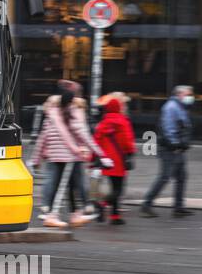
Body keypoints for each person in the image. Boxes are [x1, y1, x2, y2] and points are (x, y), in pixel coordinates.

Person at [29, 79, 112, 228]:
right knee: (73, 185)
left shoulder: (51, 115)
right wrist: (100, 154)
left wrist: (36, 159)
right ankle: (71, 212)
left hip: (55, 156)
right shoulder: (73, 113)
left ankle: (53, 212)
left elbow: (42, 138)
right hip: (70, 156)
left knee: (55, 184)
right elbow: (82, 135)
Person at [140, 85, 195, 218]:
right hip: (170, 149)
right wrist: (175, 145)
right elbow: (168, 127)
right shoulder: (171, 107)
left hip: (178, 149)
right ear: (180, 94)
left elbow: (183, 126)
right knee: (164, 177)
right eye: (189, 94)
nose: (191, 97)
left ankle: (178, 207)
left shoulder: (180, 106)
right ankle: (146, 204)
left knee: (181, 177)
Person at [94, 94, 136, 224]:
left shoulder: (102, 123)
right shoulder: (123, 121)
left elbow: (96, 141)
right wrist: (131, 152)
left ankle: (115, 216)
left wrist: (94, 158)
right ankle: (102, 205)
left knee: (113, 187)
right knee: (118, 189)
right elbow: (127, 140)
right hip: (119, 159)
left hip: (106, 161)